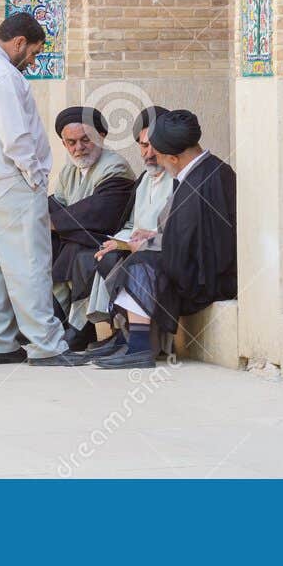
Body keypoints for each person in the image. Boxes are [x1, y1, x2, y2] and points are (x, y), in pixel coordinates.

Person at [0, 12, 77, 367]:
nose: (33, 61)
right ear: (19, 42)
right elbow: (15, 136)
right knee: (29, 265)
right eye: (34, 53)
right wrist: (36, 175)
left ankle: (0, 342)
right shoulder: (2, 74)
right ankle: (46, 345)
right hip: (12, 182)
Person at [83, 109, 236, 370]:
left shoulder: (201, 181)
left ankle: (140, 346)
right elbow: (187, 235)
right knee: (127, 258)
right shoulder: (203, 171)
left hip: (209, 277)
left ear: (173, 158)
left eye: (161, 157)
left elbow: (190, 244)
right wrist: (156, 236)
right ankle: (127, 338)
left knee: (140, 263)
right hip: (199, 264)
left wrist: (142, 246)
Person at [72, 106, 174, 337]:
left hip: (158, 249)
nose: (149, 154)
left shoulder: (176, 180)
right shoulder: (144, 180)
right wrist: (119, 241)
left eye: (154, 146)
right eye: (143, 145)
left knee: (117, 259)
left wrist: (129, 245)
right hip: (133, 243)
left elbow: (174, 231)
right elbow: (130, 225)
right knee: (93, 254)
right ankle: (112, 333)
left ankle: (133, 340)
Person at [47, 105, 137, 345]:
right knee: (45, 243)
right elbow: (56, 205)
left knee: (78, 248)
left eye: (86, 139)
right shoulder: (69, 171)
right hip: (80, 237)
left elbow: (101, 213)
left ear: (102, 136)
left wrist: (56, 222)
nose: (79, 148)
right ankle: (56, 320)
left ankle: (79, 328)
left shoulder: (114, 166)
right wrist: (53, 220)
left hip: (108, 239)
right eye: (71, 142)